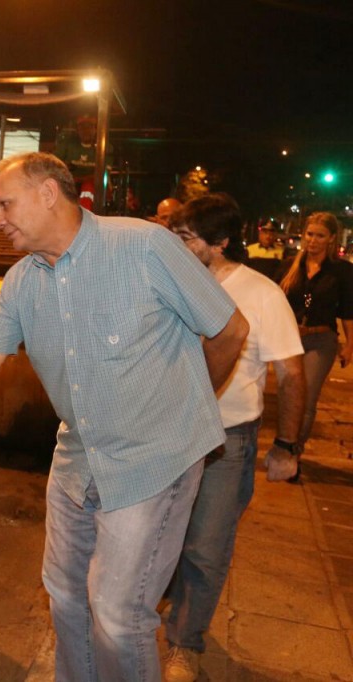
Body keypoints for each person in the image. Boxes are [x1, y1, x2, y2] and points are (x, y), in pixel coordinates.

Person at [0, 152, 249, 680]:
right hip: (77, 459)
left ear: (48, 193)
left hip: (153, 461)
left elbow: (230, 331)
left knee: (118, 614)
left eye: (5, 204)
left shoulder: (144, 247)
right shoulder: (23, 280)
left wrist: (185, 403)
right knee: (66, 597)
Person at [164, 195, 305, 681]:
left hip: (226, 442)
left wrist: (286, 446)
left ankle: (185, 643)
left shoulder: (262, 293)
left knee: (205, 546)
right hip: (165, 435)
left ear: (220, 243)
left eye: (185, 237)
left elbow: (290, 373)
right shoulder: (170, 279)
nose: (175, 243)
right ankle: (156, 613)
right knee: (157, 537)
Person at [277, 211, 353, 479]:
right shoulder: (290, 266)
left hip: (321, 340)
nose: (313, 240)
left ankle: (293, 453)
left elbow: (347, 310)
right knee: (288, 393)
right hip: (290, 338)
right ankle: (283, 445)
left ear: (331, 238)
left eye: (320, 235)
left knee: (306, 398)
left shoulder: (342, 270)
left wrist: (350, 344)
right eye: (310, 234)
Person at [53, 114, 114, 210]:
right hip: (70, 184)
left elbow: (102, 175)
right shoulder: (67, 145)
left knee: (87, 187)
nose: (86, 131)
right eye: (82, 127)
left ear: (95, 129)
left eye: (90, 127)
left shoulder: (104, 147)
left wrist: (78, 179)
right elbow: (54, 166)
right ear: (77, 130)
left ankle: (85, 218)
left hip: (94, 188)